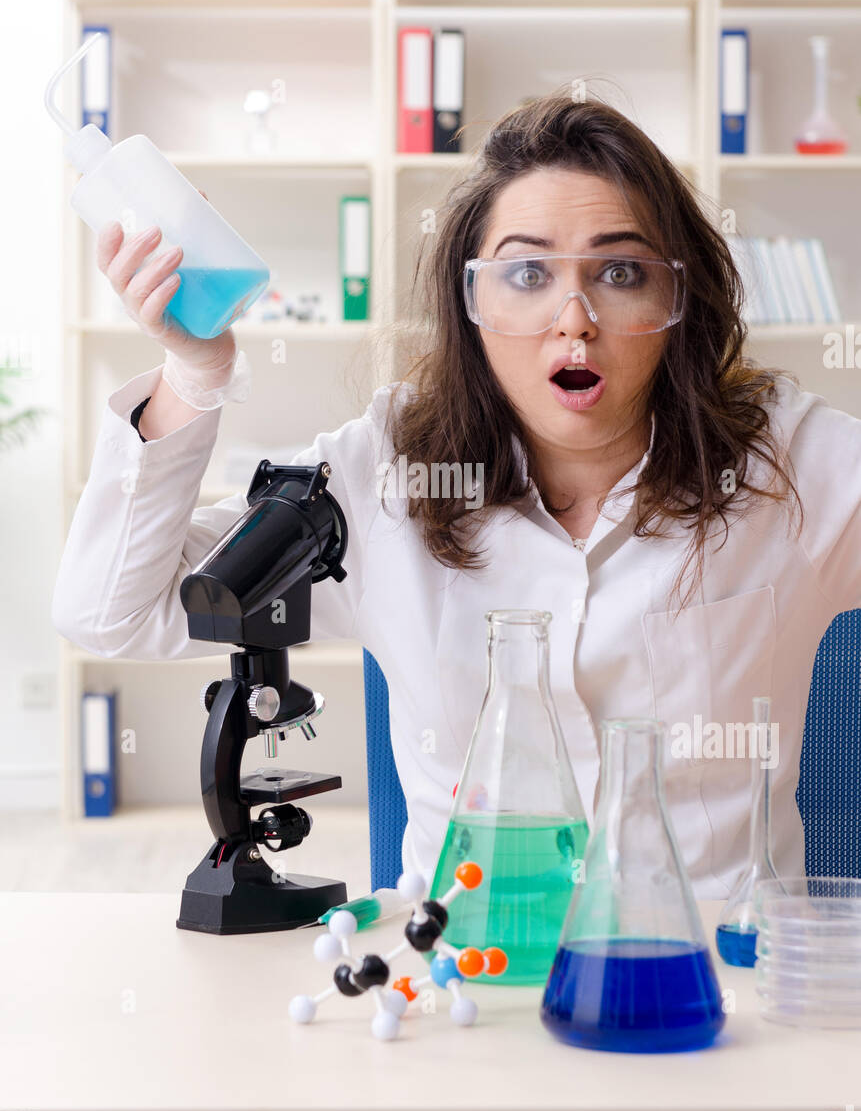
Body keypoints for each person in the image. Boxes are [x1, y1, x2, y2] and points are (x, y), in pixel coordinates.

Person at [51, 89, 861, 897]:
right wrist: (195, 375)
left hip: (712, 989)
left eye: (619, 271)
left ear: (676, 302)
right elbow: (113, 612)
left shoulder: (787, 461)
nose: (573, 320)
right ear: (470, 302)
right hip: (463, 980)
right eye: (526, 273)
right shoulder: (384, 471)